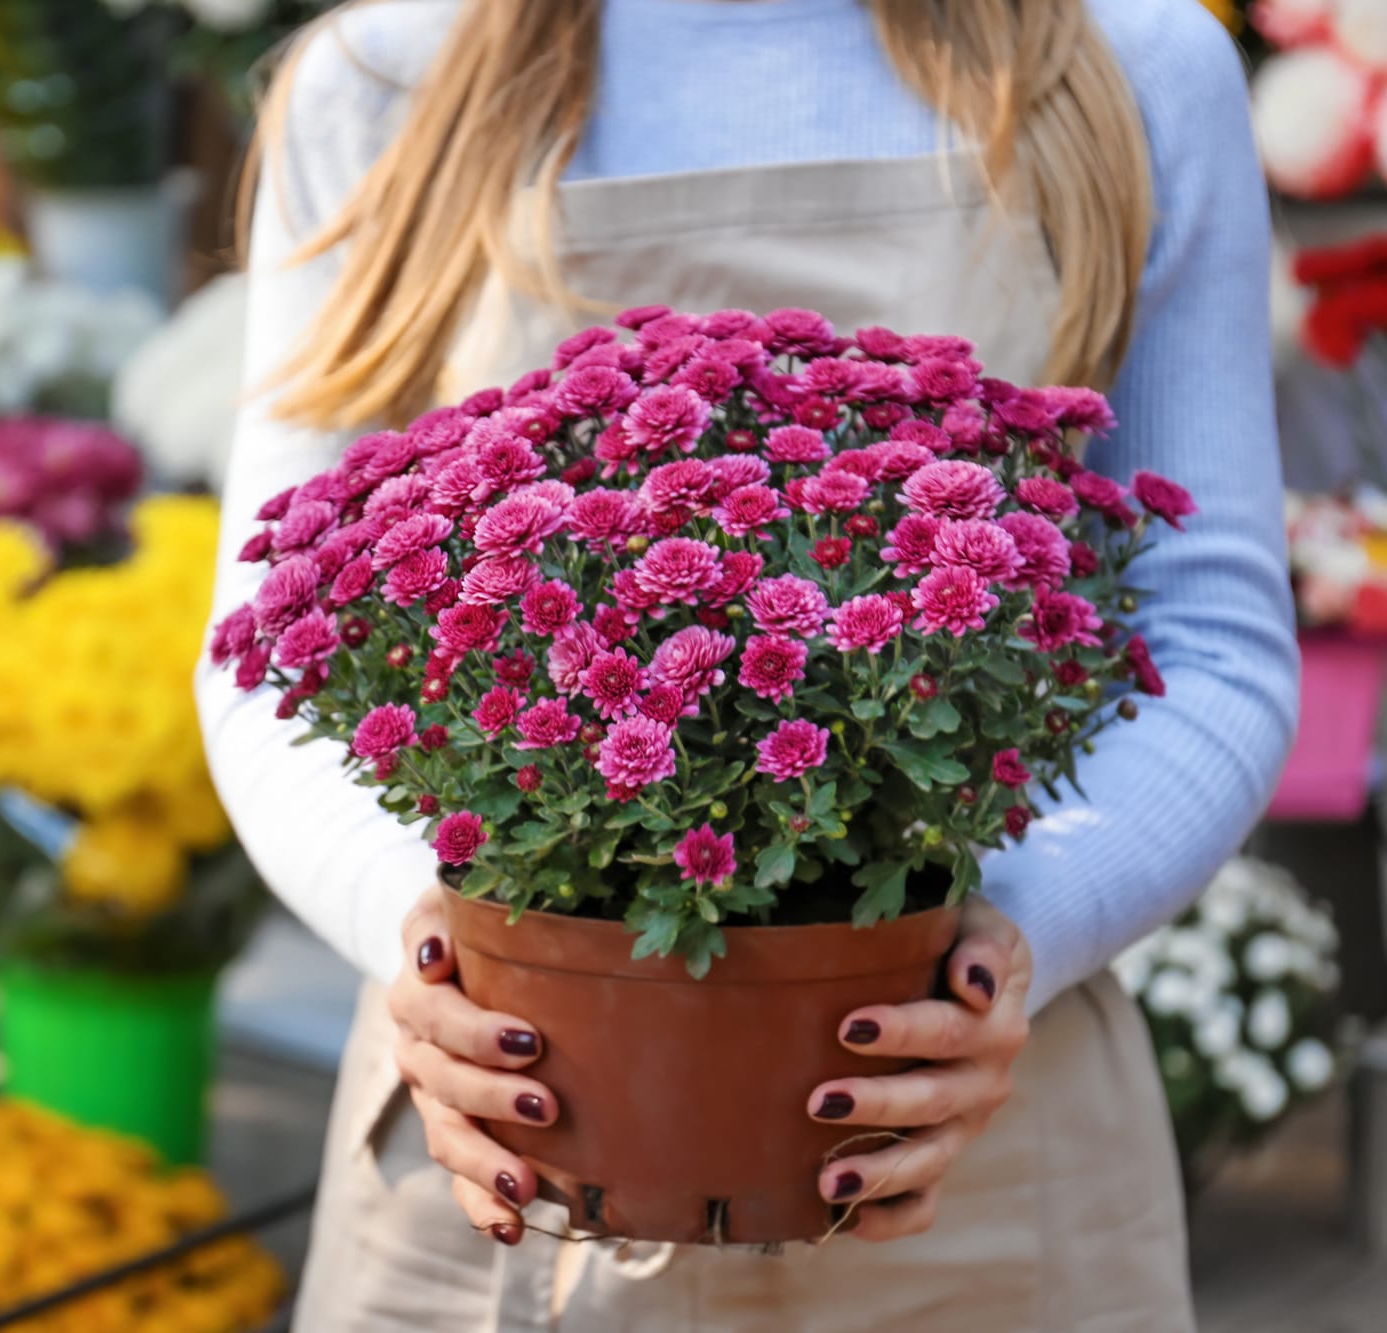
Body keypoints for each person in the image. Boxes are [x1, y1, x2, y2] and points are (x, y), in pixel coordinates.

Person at [195, 1, 1300, 1327]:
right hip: (492, 1140)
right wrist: (423, 943)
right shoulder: (382, 79)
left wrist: (1009, 939)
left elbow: (1209, 637)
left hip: (978, 1154)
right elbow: (259, 647)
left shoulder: (1123, 60)